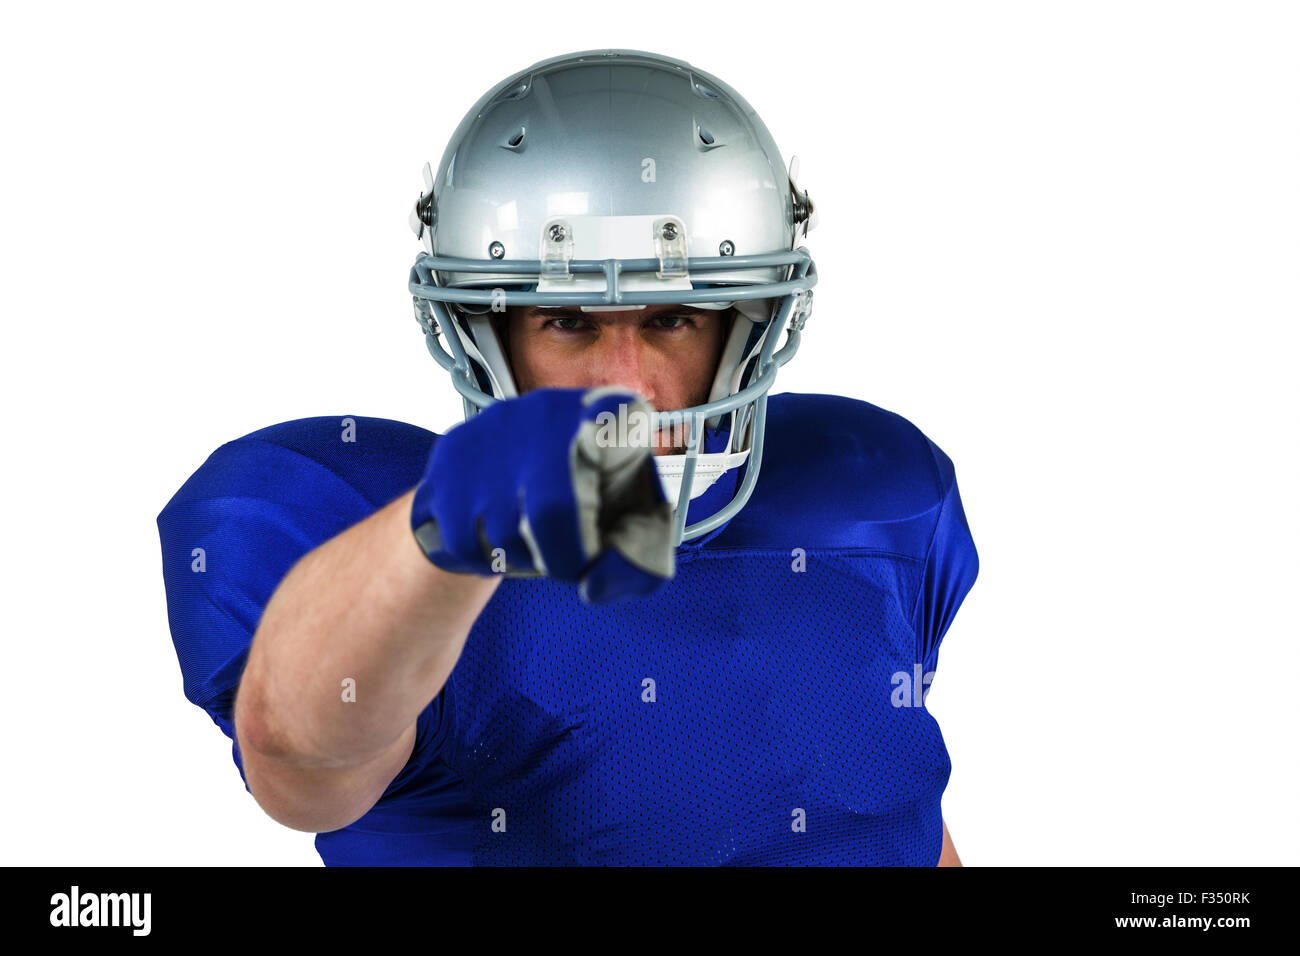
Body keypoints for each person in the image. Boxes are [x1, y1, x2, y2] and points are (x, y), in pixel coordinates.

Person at [156, 49, 978, 866]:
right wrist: (437, 543)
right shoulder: (377, 538)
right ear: (488, 333)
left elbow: (893, 812)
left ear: (746, 327)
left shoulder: (874, 493)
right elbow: (300, 767)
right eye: (569, 322)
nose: (625, 385)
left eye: (672, 321)